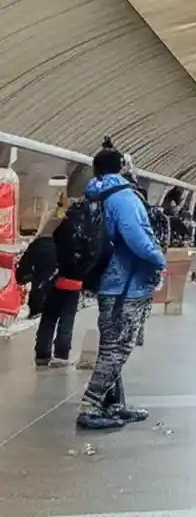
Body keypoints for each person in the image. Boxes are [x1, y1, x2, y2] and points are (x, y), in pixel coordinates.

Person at [77, 137, 166, 430]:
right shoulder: (124, 197)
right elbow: (137, 237)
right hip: (126, 284)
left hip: (108, 282)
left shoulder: (95, 195)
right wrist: (159, 258)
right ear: (122, 167)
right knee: (118, 348)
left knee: (112, 344)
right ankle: (90, 405)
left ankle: (114, 404)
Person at [18, 218, 80, 368]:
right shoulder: (72, 242)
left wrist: (26, 278)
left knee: (48, 319)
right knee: (67, 319)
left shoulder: (39, 244)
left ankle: (42, 354)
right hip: (70, 284)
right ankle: (61, 354)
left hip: (47, 287)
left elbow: (24, 268)